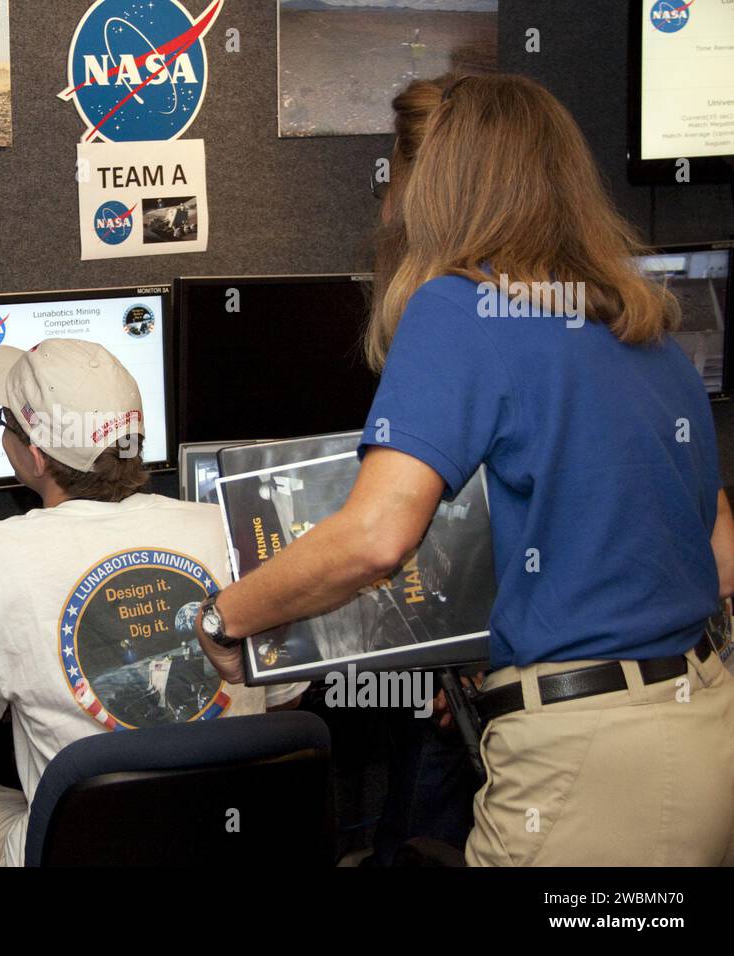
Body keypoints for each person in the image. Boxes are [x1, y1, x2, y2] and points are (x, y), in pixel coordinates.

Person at [197, 73, 734, 866]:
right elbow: (719, 556)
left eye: (395, 174)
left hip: (588, 764)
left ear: (432, 188)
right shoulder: (636, 321)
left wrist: (229, 617)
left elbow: (376, 537)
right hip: (703, 730)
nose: (386, 202)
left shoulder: (459, 307)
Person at [0, 338, 303, 866]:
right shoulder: (229, 528)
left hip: (80, 849)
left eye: (5, 421)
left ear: (35, 455)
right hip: (230, 839)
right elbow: (284, 699)